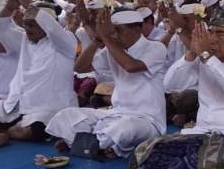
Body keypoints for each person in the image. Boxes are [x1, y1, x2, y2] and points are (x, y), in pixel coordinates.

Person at [127, 9, 224, 169]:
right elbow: (171, 84)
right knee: (145, 150)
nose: (213, 39)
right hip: (201, 133)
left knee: (219, 156)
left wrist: (207, 57)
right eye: (211, 32)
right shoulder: (204, 59)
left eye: (221, 33)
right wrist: (192, 54)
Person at [47, 8, 167, 158]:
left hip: (146, 119)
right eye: (112, 30)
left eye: (118, 30)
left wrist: (108, 39)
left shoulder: (156, 47)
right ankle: (99, 146)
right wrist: (98, 39)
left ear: (137, 29)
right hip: (114, 113)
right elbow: (80, 67)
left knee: (124, 129)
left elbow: (131, 66)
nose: (114, 34)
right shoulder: (113, 48)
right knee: (65, 115)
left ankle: (83, 143)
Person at [0, 0, 78, 151]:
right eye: (26, 24)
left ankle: (7, 130)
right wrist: (9, 7)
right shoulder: (24, 39)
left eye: (32, 24)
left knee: (27, 130)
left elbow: (54, 29)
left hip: (49, 108)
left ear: (45, 24)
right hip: (18, 105)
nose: (27, 28)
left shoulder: (65, 42)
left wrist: (28, 4)